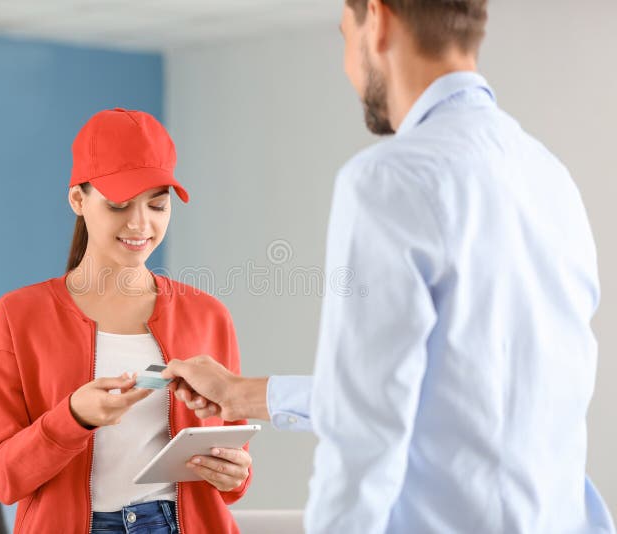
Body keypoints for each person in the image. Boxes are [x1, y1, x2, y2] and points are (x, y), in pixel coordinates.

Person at [162, 1, 616, 532]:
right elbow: (455, 391)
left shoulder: (389, 179)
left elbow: (365, 429)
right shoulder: (549, 176)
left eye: (343, 35)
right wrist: (242, 395)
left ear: (375, 21)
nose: (347, 67)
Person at [0, 108, 252, 534]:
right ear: (77, 199)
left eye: (157, 204)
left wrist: (236, 473)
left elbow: (233, 470)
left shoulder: (208, 315)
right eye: (119, 205)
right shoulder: (19, 316)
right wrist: (73, 417)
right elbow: (2, 479)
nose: (141, 224)